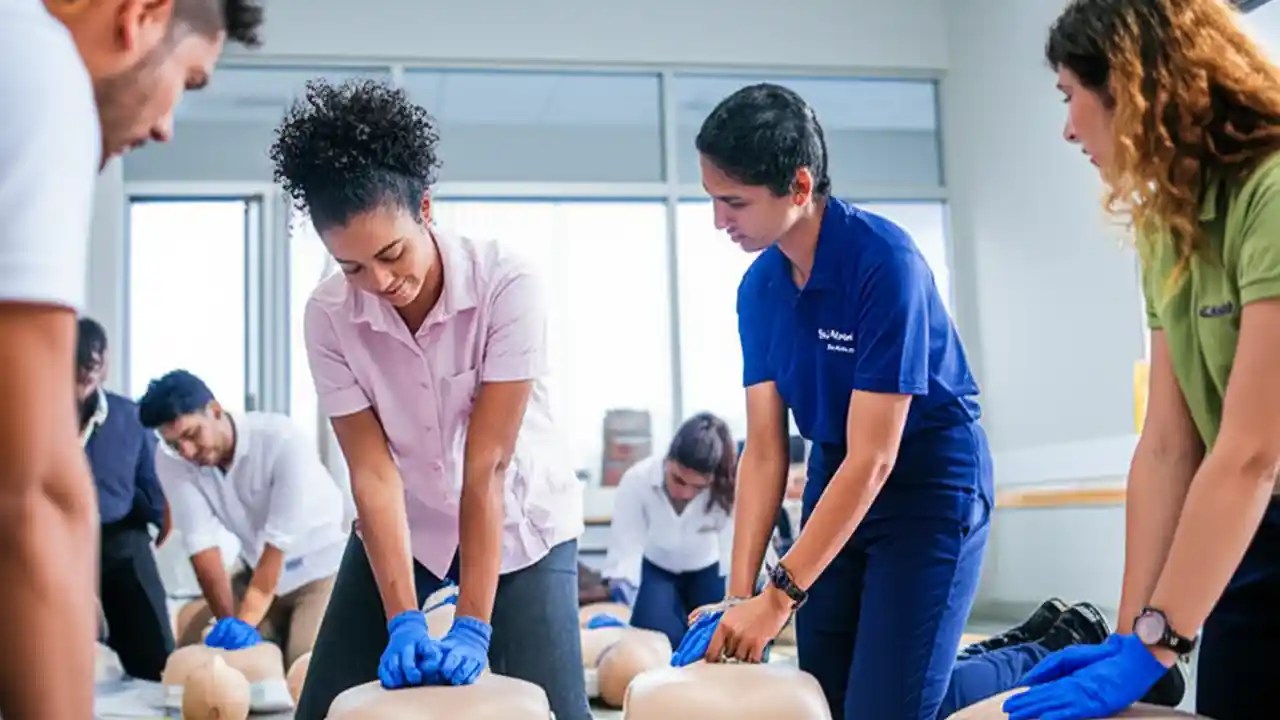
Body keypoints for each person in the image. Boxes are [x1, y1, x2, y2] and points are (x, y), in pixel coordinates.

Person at [667, 82, 992, 720]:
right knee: (825, 699)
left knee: (887, 709)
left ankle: (1039, 651)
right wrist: (740, 598)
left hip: (927, 480)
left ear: (799, 185)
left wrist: (779, 594)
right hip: (834, 472)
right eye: (712, 200)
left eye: (734, 202)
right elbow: (762, 451)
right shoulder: (759, 289)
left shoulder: (884, 262)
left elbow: (877, 456)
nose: (718, 221)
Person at [271, 78, 591, 720]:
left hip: (519, 524)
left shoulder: (507, 284)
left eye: (391, 254)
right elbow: (372, 471)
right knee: (322, 707)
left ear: (425, 206)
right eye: (352, 267)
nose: (379, 282)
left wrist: (473, 622)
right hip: (405, 526)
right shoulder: (327, 317)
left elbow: (488, 466)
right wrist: (402, 619)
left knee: (557, 711)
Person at [997, 2, 1280, 719]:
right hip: (1259, 530)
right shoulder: (1168, 226)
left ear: (1130, 85)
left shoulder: (1272, 194)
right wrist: (1137, 639)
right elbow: (1166, 447)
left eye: (1070, 97)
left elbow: (1252, 450)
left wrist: (1162, 635)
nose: (1066, 128)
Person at [0, 1, 262, 716]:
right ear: (143, 14)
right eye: (191, 79)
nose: (166, 126)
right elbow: (34, 494)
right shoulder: (40, 70)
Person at [139, 370, 347, 669]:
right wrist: (227, 622)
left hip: (320, 569)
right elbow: (202, 548)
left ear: (215, 411)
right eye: (173, 443)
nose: (186, 451)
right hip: (256, 568)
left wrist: (246, 624)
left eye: (191, 434)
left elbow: (277, 545)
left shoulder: (281, 441)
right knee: (197, 652)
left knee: (304, 666)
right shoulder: (173, 460)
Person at [77, 317, 174, 680]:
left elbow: (153, 488)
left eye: (93, 369)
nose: (85, 381)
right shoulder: (33, 413)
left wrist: (163, 519)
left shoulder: (129, 417)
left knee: (155, 657)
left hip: (117, 537)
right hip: (50, 540)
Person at [601, 412, 737, 647]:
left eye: (698, 487)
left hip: (708, 570)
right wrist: (624, 588)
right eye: (678, 480)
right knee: (660, 641)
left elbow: (731, 548)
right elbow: (627, 545)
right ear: (668, 459)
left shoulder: (726, 489)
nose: (685, 493)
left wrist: (732, 602)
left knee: (709, 641)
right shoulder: (637, 480)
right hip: (657, 569)